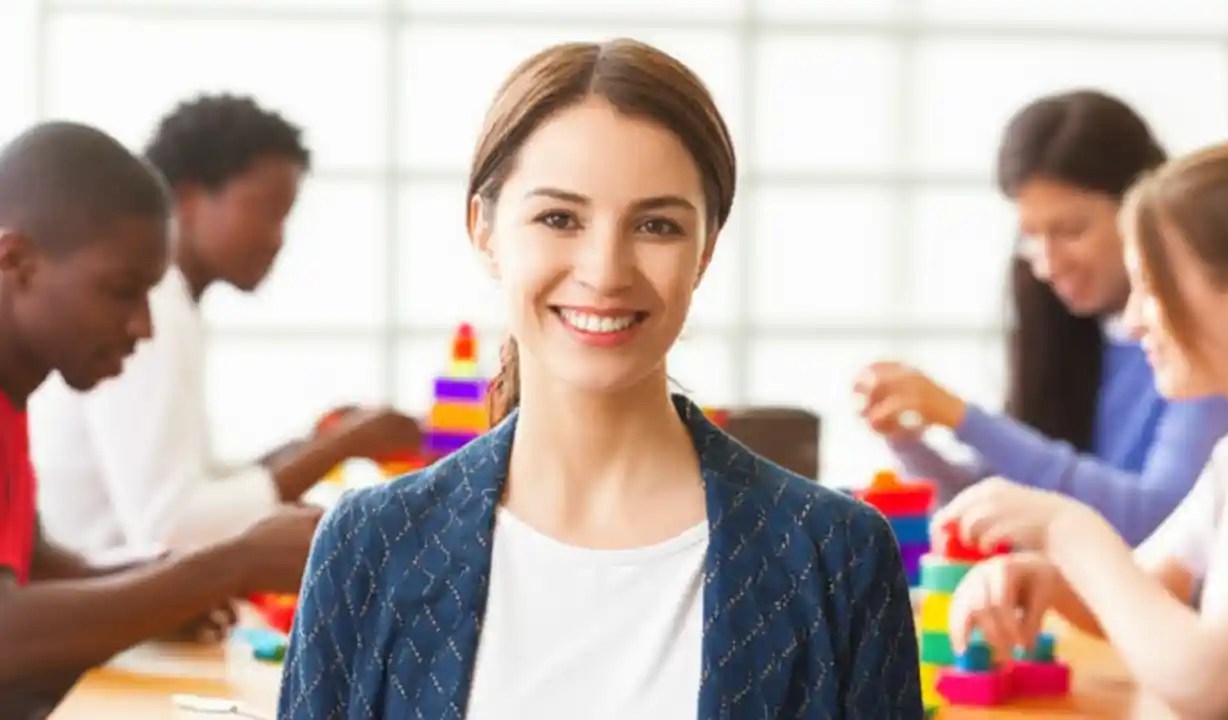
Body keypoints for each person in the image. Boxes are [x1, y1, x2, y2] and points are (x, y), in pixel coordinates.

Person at [278, 38, 922, 719]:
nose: (606, 270)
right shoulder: (369, 545)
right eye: (559, 218)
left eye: (657, 225)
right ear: (484, 230)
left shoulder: (836, 557)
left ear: (706, 249)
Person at [936, 140, 1228, 719]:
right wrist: (1042, 579)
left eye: (1153, 288)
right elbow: (1149, 593)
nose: (1136, 320)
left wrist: (1065, 528)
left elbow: (1210, 684)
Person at [0, 122, 320, 719]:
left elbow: (43, 567)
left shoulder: (11, 404)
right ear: (17, 261)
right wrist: (228, 566)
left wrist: (170, 594)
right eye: (122, 291)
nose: (144, 328)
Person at [30, 94, 422, 561]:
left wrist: (314, 443)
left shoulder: (173, 304)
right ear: (189, 199)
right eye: (265, 210)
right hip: (109, 588)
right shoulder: (151, 310)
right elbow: (170, 526)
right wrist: (340, 445)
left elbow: (190, 489)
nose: (277, 238)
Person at [854, 90, 1228, 545]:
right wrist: (908, 440)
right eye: (1031, 236)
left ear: (1144, 213)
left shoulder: (1207, 342)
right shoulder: (1070, 332)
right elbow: (998, 503)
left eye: (1071, 231)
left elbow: (1158, 521)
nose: (1048, 265)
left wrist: (963, 418)